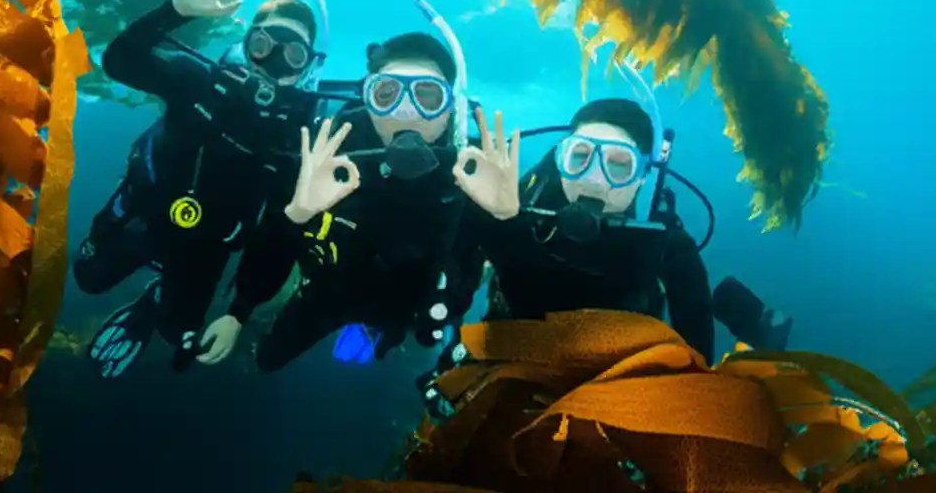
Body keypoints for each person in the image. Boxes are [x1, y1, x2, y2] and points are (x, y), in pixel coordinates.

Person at [420, 97, 792, 410]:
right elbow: (459, 283)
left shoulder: (666, 247)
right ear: (560, 160)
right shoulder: (522, 210)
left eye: (619, 164)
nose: (594, 179)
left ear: (642, 176)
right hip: (505, 362)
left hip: (616, 385)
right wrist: (495, 220)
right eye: (580, 157)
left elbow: (695, 362)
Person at [200, 25, 522, 371]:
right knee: (266, 361)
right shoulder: (330, 154)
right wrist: (239, 311)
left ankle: (379, 337)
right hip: (330, 294)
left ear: (450, 108)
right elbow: (277, 239)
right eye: (386, 94)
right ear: (367, 100)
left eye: (428, 97)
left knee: (420, 344)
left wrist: (506, 223)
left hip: (418, 307)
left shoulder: (477, 171)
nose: (405, 112)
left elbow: (526, 281)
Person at [73, 0, 326, 378]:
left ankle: (155, 303)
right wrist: (176, 10)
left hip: (207, 249)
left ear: (309, 66)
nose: (272, 63)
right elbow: (119, 62)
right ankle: (156, 292)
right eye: (263, 45)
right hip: (141, 214)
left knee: (181, 341)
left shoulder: (297, 140)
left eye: (293, 54)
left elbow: (279, 234)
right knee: (88, 278)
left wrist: (239, 312)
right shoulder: (199, 82)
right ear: (246, 46)